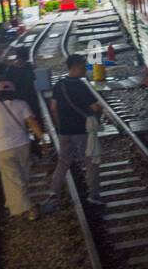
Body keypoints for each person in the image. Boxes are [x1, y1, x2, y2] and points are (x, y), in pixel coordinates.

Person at [44, 53, 103, 209]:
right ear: (75, 67)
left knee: (63, 162)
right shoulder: (81, 86)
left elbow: (53, 108)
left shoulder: (59, 84)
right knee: (90, 161)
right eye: (84, 67)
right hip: (81, 130)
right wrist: (97, 118)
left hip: (64, 131)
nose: (85, 70)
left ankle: (53, 193)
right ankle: (94, 195)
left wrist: (60, 125)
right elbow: (96, 107)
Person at [0, 79, 45, 221]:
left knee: (12, 179)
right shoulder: (22, 104)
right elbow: (32, 123)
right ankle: (16, 205)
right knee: (22, 176)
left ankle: (28, 208)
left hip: (3, 149)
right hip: (22, 145)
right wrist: (42, 139)